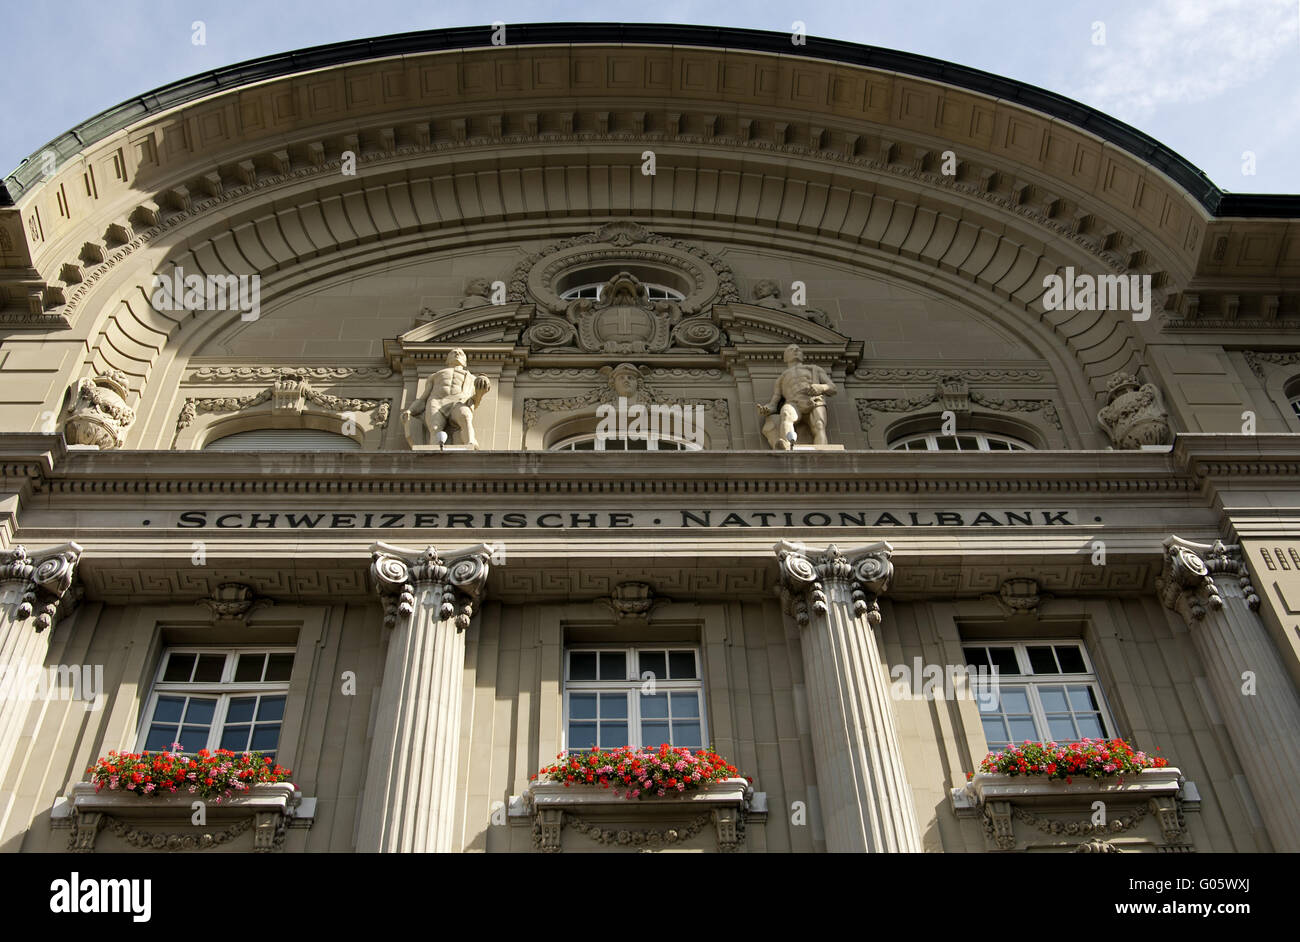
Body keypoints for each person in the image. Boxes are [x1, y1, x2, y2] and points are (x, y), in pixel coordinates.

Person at [403, 348, 491, 448]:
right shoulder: (434, 376)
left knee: (466, 416)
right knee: (435, 428)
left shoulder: (472, 378)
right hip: (437, 402)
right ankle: (434, 451)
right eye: (453, 352)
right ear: (447, 360)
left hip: (459, 401)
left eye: (461, 353)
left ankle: (470, 444)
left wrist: (480, 392)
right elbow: (423, 398)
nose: (457, 353)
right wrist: (410, 410)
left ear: (465, 363)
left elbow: (475, 401)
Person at [758, 344, 837, 448]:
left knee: (819, 425)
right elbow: (774, 402)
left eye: (798, 349)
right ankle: (786, 444)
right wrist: (767, 409)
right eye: (791, 349)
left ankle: (822, 451)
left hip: (814, 401)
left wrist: (821, 388)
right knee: (786, 414)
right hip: (793, 402)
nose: (795, 350)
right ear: (785, 357)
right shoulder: (781, 378)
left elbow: (832, 388)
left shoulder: (814, 369)